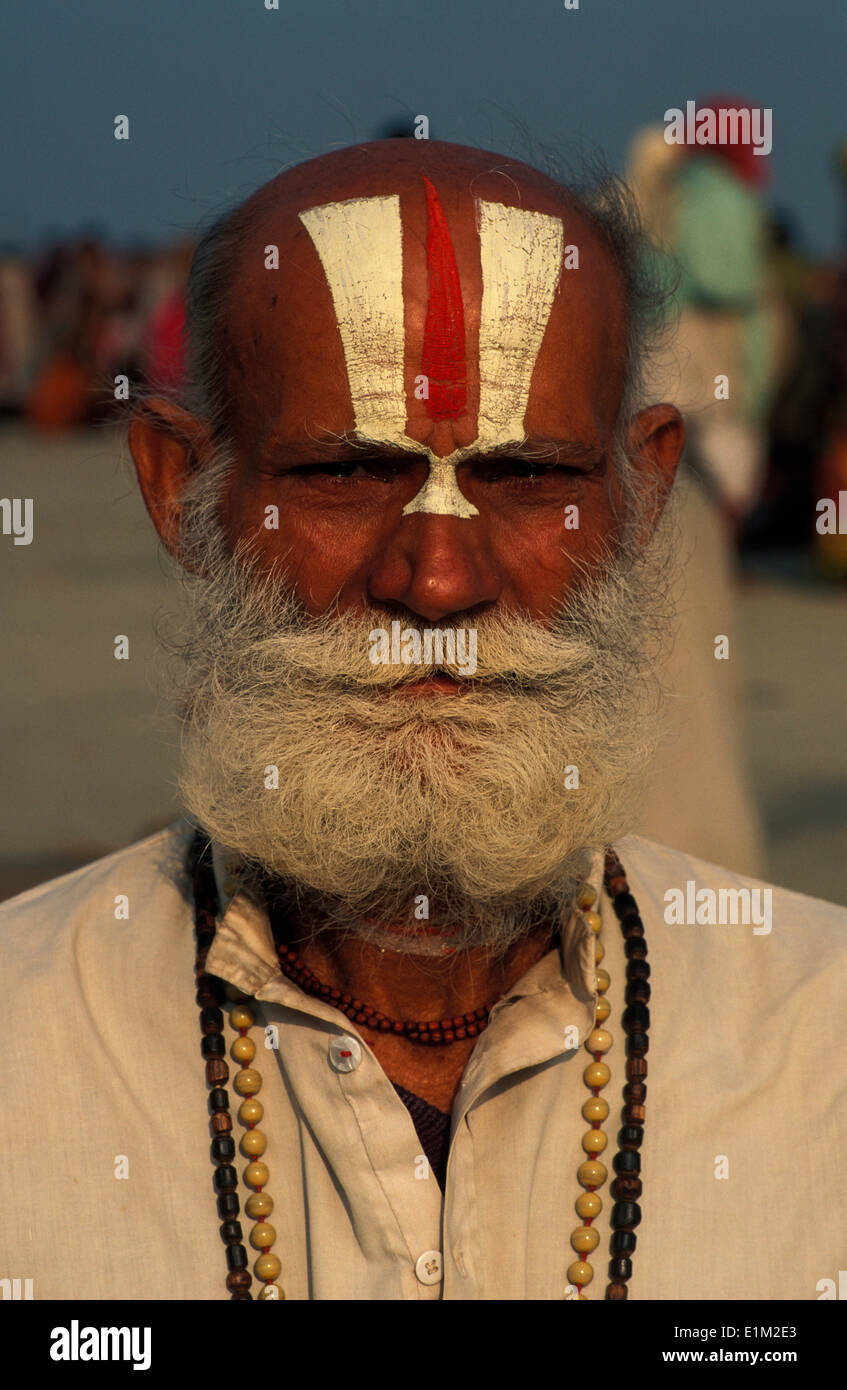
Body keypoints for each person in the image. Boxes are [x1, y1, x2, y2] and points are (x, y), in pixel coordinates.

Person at [1, 140, 844, 1301]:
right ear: (181, 495)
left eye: (525, 477)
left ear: (643, 496)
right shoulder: (23, 1049)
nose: (438, 576)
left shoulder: (822, 1044)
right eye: (347, 474)